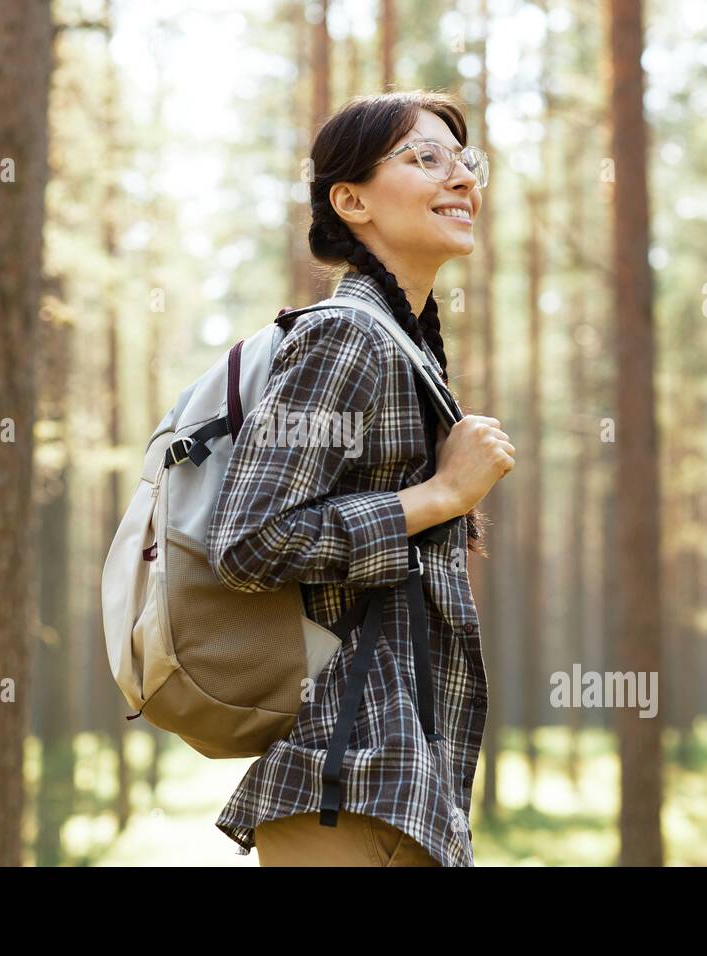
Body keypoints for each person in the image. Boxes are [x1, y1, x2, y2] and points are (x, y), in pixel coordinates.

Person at [206, 90, 514, 867]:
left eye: (464, 160)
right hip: (343, 790)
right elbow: (250, 541)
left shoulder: (402, 345)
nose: (462, 179)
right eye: (426, 158)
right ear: (351, 200)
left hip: (396, 786)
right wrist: (440, 496)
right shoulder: (347, 336)